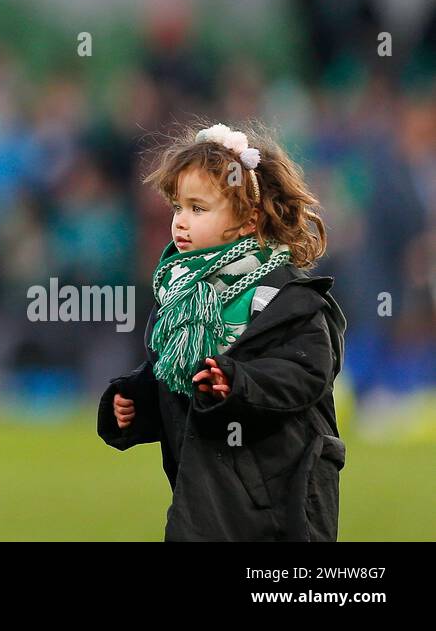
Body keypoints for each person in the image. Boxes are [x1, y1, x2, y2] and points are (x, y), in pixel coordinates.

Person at [97, 122, 347, 541]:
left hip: (280, 501)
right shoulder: (182, 296)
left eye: (198, 209)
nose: (180, 222)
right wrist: (136, 400)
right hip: (204, 498)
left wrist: (238, 382)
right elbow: (175, 379)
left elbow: (307, 373)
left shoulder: (287, 297)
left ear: (249, 220)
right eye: (177, 207)